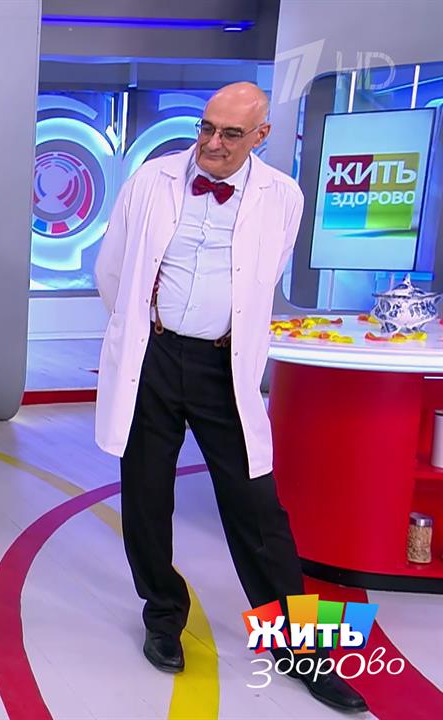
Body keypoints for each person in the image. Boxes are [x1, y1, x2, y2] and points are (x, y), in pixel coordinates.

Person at [93, 83, 366, 713]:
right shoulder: (151, 180)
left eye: (231, 134)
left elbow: (262, 279)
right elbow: (113, 270)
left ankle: (301, 649)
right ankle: (163, 616)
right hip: (155, 358)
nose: (213, 144)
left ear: (261, 136)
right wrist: (140, 332)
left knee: (258, 510)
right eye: (206, 127)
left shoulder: (284, 196)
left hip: (225, 368)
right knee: (146, 497)